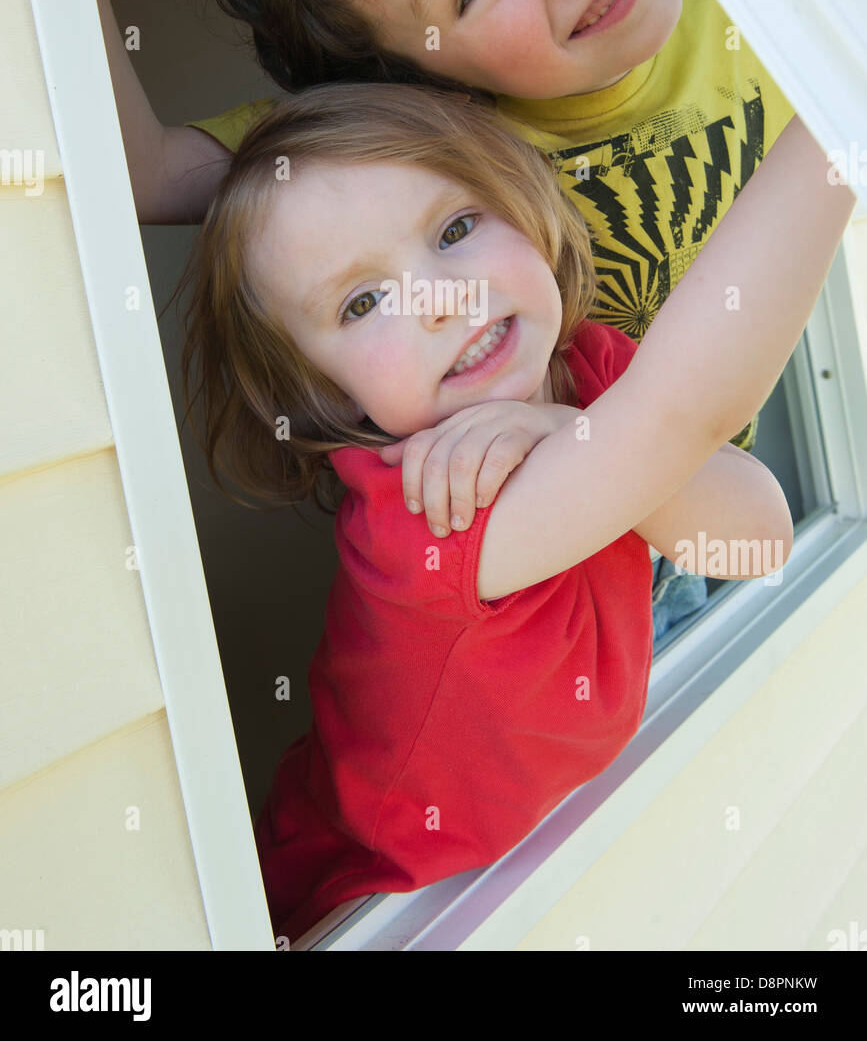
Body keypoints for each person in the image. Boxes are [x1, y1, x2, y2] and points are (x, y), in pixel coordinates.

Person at [41, 0, 800, 631]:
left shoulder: (780, 9)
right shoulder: (416, 152)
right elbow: (139, 174)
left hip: (730, 518)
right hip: (564, 595)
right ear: (405, 83)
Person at [177, 79, 852, 945]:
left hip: (520, 862)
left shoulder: (586, 371)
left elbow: (754, 537)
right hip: (370, 908)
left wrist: (565, 429)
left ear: (526, 207)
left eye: (456, 230)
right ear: (323, 398)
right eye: (362, 302)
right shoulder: (424, 506)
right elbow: (680, 414)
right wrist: (839, 102)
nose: (440, 299)